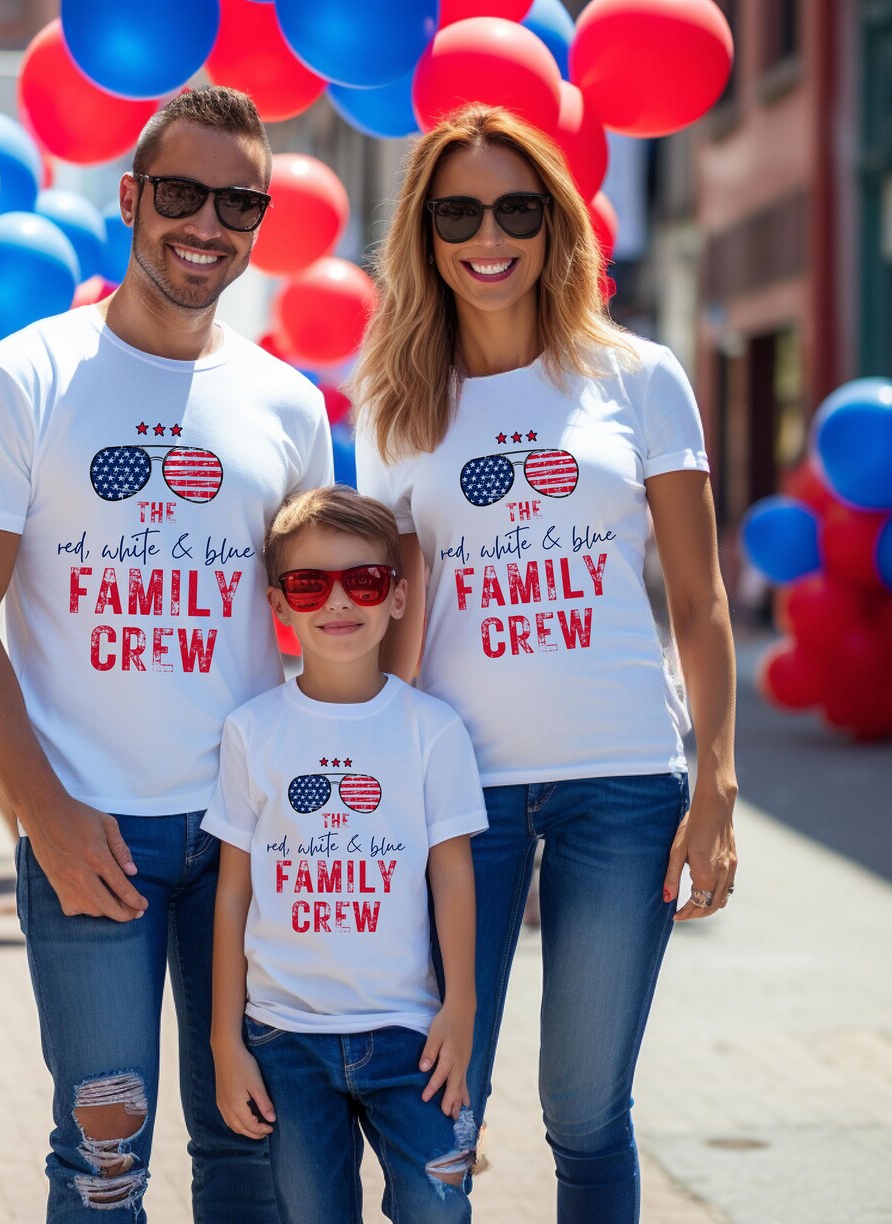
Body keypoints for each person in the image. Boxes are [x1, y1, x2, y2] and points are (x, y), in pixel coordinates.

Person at [0, 86, 333, 1222]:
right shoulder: (23, 377)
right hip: (86, 832)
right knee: (103, 1161)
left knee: (250, 1149)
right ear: (131, 199)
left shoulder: (290, 405)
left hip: (250, 841)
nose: (207, 224)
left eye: (238, 201)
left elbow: (317, 622)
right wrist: (42, 811)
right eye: (183, 193)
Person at [352, 104, 738, 1223]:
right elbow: (393, 621)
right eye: (459, 211)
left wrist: (714, 780)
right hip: (459, 801)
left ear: (556, 224)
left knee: (584, 1111)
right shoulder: (401, 405)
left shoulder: (638, 376)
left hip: (623, 788)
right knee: (440, 1107)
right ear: (424, 234)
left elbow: (703, 602)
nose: (489, 234)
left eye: (517, 209)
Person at [203, 485, 488, 1222]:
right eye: (310, 583)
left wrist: (462, 1006)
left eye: (363, 580)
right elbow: (232, 893)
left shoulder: (433, 730)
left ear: (395, 597)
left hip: (409, 1034)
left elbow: (452, 874)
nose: (338, 601)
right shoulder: (252, 732)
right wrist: (224, 1039)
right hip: (284, 1035)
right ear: (280, 604)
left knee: (438, 1208)